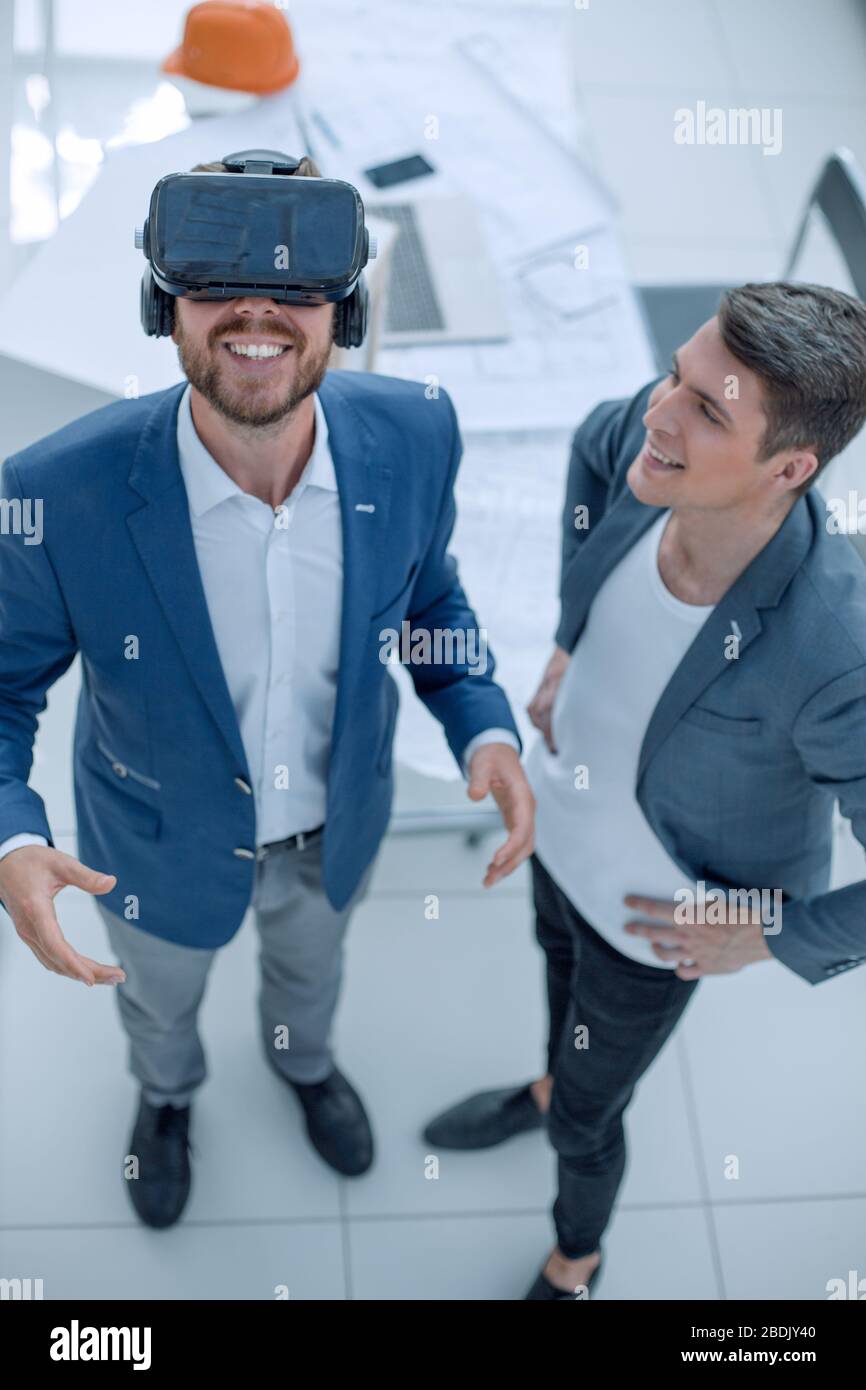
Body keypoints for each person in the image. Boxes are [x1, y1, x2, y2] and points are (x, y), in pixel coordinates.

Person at [0, 154, 534, 1230]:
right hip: (147, 841)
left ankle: (306, 1067)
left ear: (344, 309)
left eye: (295, 288)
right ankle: (166, 1096)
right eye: (214, 286)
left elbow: (430, 594)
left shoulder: (417, 429)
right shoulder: (54, 492)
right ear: (164, 308)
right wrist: (13, 841)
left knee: (308, 976)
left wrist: (480, 723)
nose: (257, 315)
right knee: (157, 1002)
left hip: (333, 827)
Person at [423, 282, 866, 1300]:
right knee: (550, 967)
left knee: (589, 1117)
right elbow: (592, 445)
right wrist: (569, 637)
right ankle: (546, 1080)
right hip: (558, 829)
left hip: (657, 920)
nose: (657, 413)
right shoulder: (649, 444)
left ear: (789, 467)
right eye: (675, 373)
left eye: (707, 409)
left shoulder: (831, 649)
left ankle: (573, 1262)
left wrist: (765, 934)